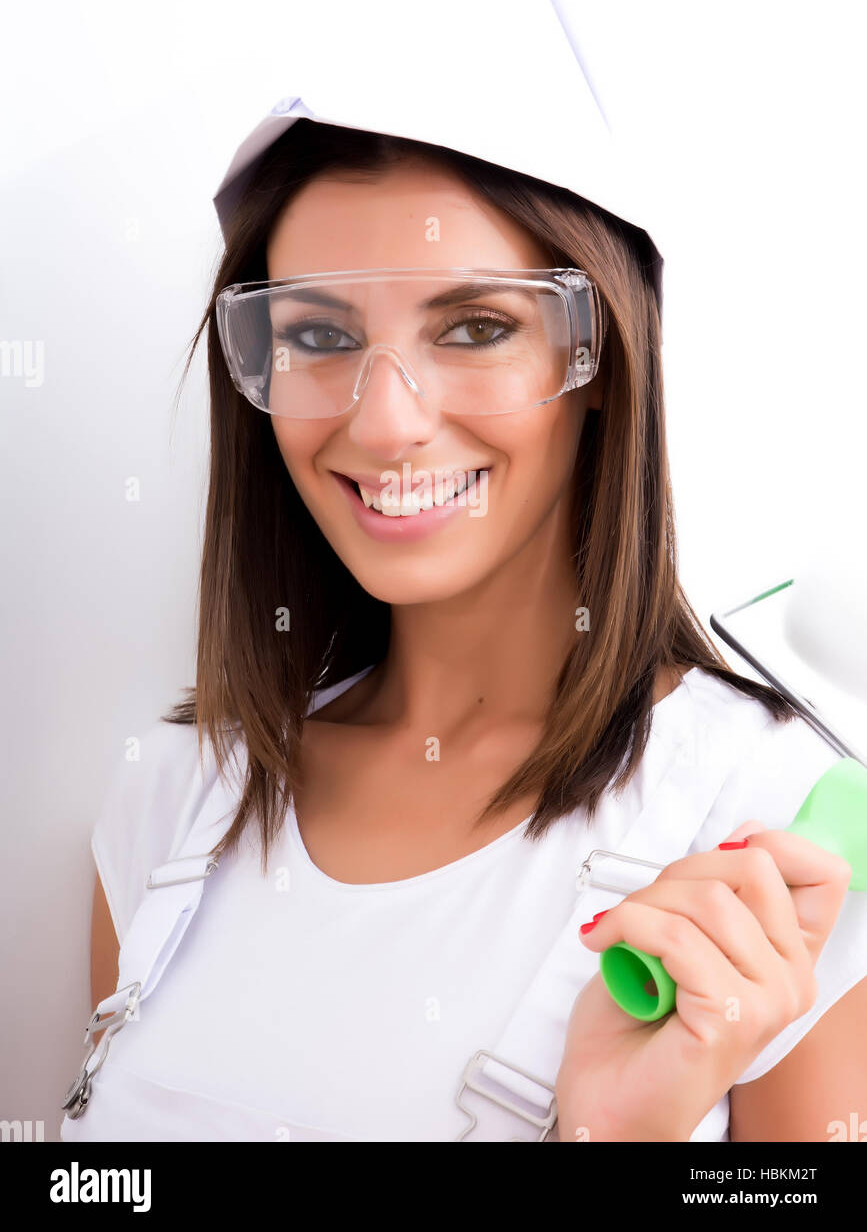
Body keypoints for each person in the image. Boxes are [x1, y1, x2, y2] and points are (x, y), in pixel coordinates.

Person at [61, 115, 866, 1142]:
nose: (385, 422)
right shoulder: (177, 798)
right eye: (319, 336)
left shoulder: (783, 843)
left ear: (602, 356)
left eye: (476, 328)